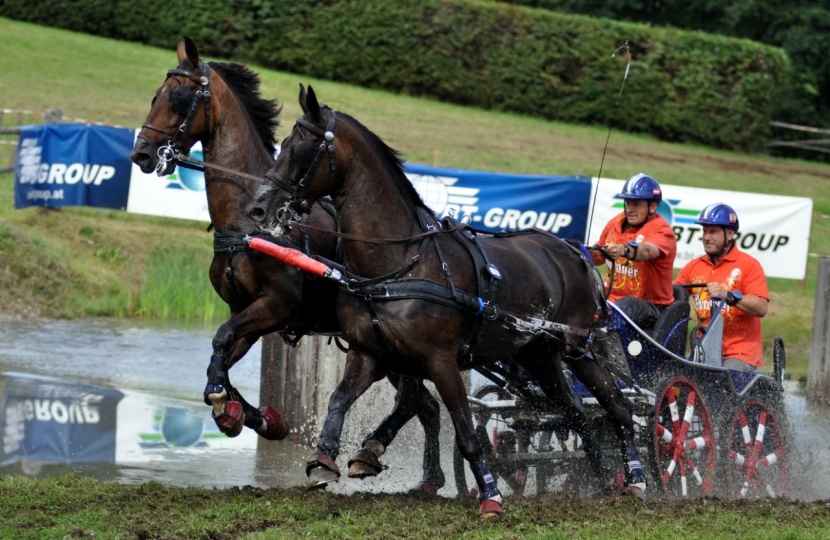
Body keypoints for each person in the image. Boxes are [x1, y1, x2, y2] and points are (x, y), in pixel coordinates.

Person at [674, 203, 769, 371]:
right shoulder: (693, 266)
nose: (706, 237)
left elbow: (761, 307)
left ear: (730, 233)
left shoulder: (749, 265)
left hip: (739, 354)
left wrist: (728, 295)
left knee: (720, 387)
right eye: (704, 231)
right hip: (703, 351)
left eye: (713, 232)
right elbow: (671, 297)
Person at [590, 173, 677, 329]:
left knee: (626, 305)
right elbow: (598, 258)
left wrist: (624, 250)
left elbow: (648, 251)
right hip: (610, 301)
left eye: (636, 204)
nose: (630, 209)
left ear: (652, 206)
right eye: (628, 203)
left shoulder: (662, 230)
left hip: (652, 307)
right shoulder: (616, 223)